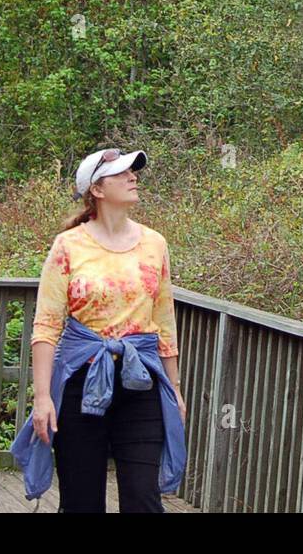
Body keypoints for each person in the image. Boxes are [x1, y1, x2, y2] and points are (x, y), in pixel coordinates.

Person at [10, 147, 186, 512]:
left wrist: (176, 389)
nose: (133, 177)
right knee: (81, 501)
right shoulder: (69, 245)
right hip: (81, 383)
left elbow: (164, 320)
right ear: (97, 190)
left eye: (133, 171)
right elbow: (46, 327)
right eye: (122, 173)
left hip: (142, 383)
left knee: (143, 500)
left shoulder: (155, 243)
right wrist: (42, 398)